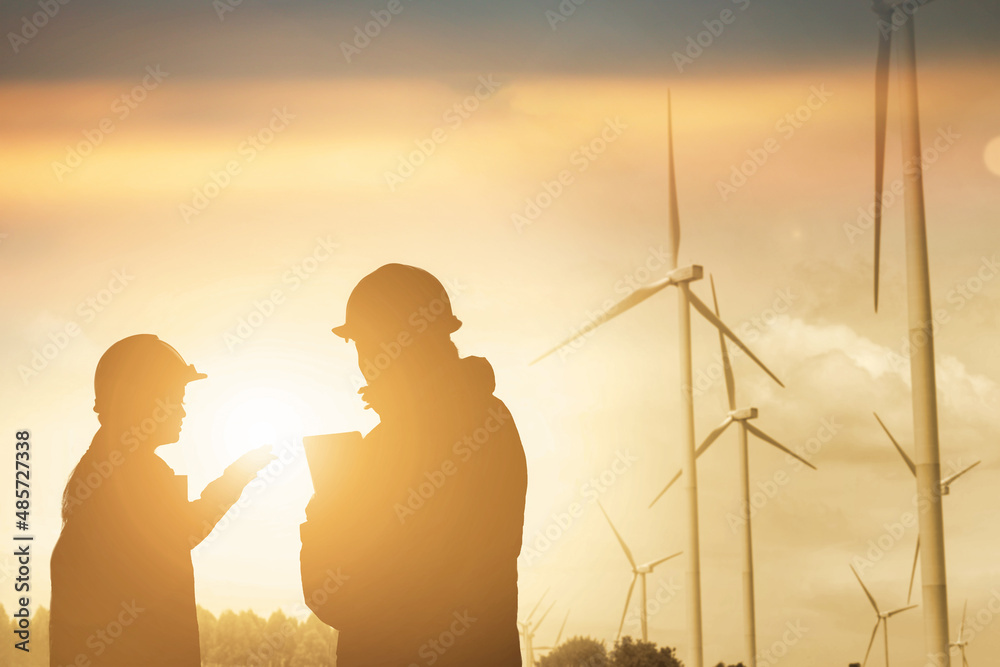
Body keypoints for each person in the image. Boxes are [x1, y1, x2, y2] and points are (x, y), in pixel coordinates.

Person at [300, 264, 528, 666]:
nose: (366, 361)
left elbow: (342, 597)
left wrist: (325, 512)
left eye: (371, 343)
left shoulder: (402, 445)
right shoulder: (490, 419)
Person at [50, 334, 273, 667]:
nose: (182, 410)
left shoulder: (105, 472)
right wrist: (238, 476)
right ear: (142, 401)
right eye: (175, 397)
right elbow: (185, 531)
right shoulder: (132, 477)